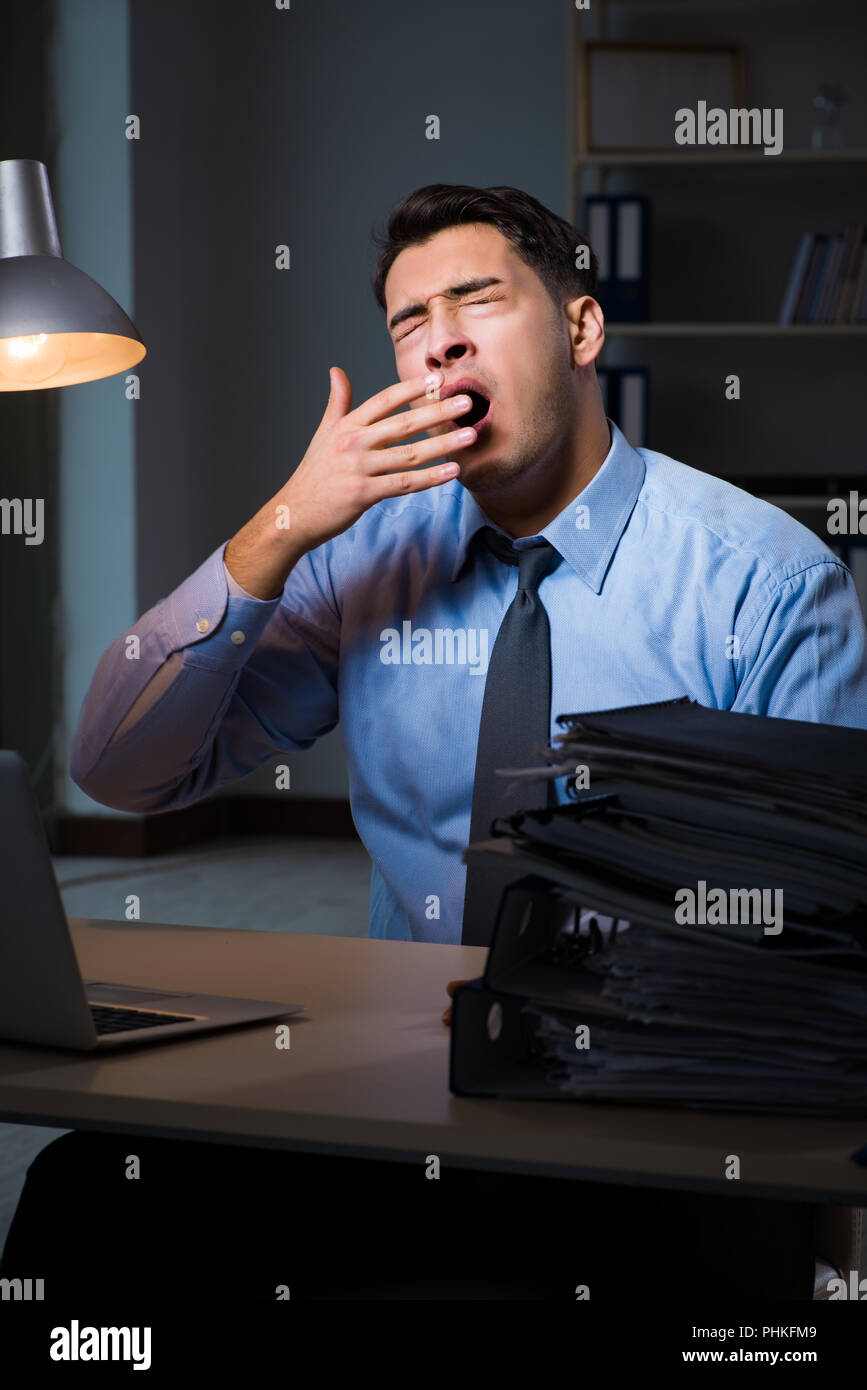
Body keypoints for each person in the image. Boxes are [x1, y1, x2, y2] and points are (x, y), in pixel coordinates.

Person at [8, 184, 864, 1300]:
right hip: (394, 1086)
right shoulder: (360, 556)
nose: (440, 338)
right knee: (87, 1194)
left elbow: (822, 940)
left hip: (659, 1104)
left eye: (476, 299)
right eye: (409, 324)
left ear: (581, 328)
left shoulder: (768, 581)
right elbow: (119, 771)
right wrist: (281, 528)